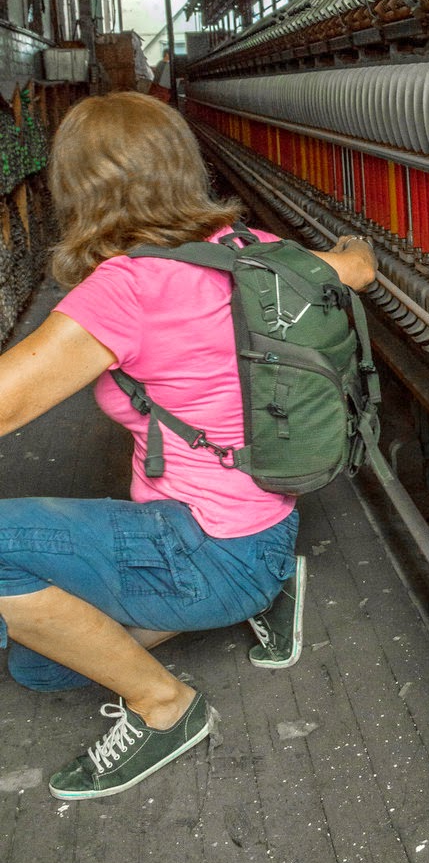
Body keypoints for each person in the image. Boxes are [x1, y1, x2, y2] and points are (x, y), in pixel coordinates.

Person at [0, 92, 376, 800]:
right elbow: (357, 268)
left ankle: (167, 710)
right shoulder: (257, 253)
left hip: (200, 550)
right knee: (40, 667)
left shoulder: (125, 290)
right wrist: (349, 248)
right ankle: (262, 595)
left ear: (77, 188)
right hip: (264, 531)